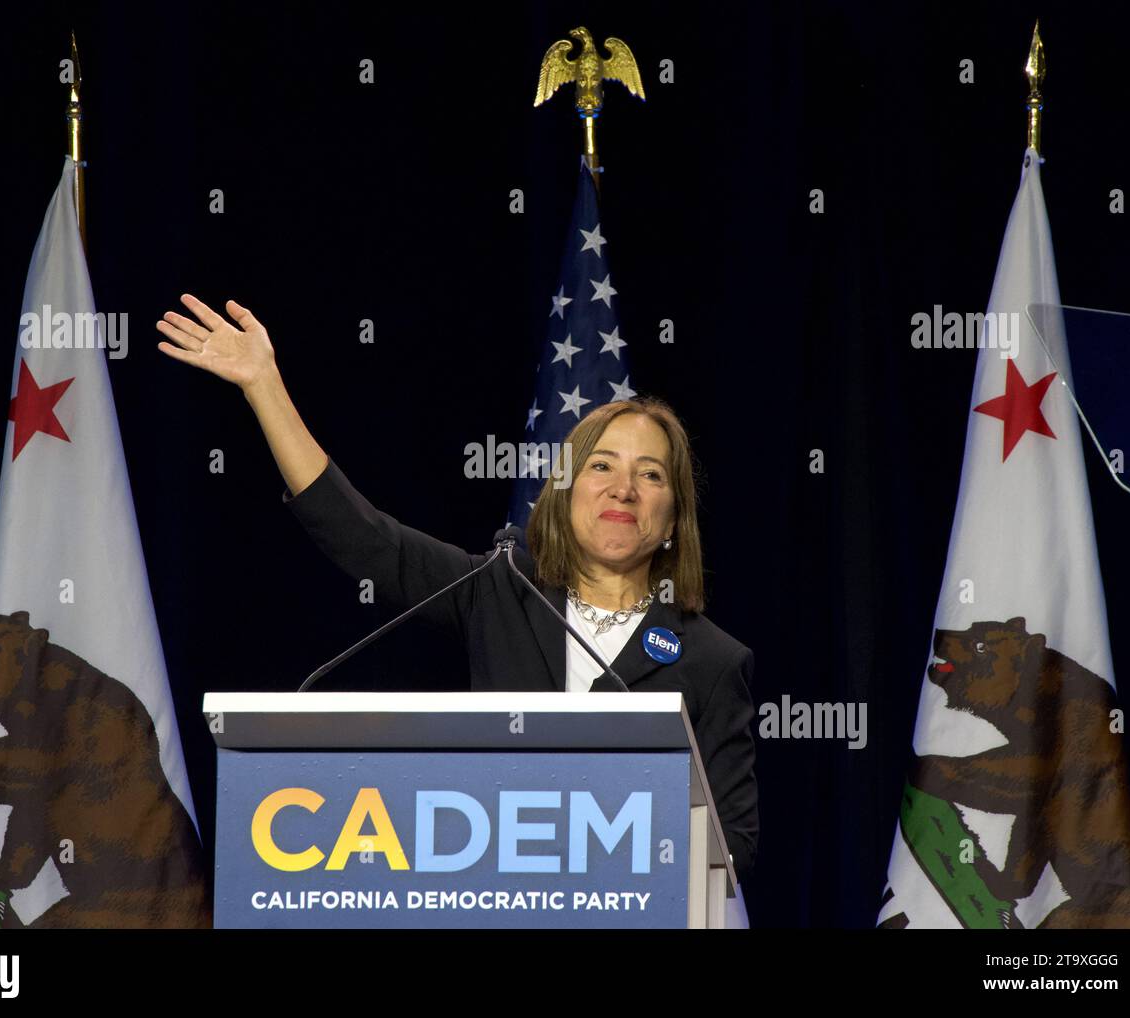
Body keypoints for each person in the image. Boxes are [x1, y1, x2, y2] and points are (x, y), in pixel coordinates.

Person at [157, 294, 759, 881]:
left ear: (675, 518)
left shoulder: (712, 660)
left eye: (650, 474)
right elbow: (364, 539)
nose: (623, 488)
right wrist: (264, 385)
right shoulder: (500, 590)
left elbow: (730, 851)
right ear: (564, 493)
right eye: (601, 465)